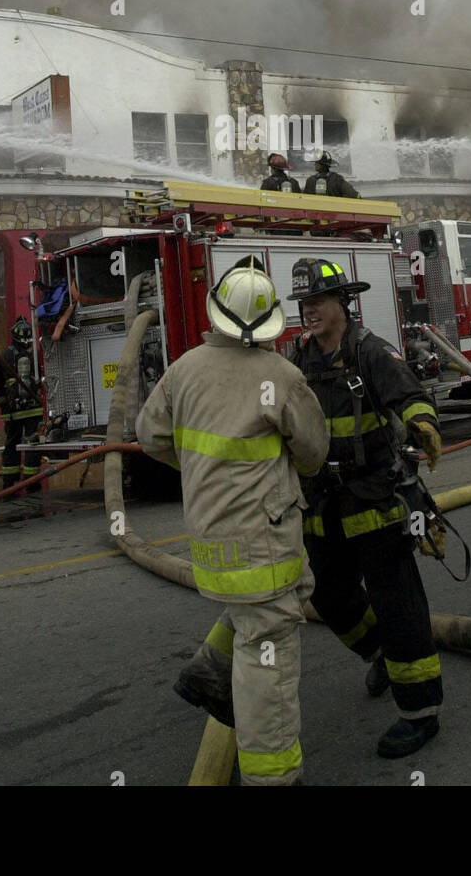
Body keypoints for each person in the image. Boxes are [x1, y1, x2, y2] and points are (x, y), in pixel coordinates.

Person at [136, 256, 328, 786]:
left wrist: (201, 466)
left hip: (209, 543)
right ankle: (273, 777)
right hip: (261, 544)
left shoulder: (183, 370)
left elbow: (151, 436)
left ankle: (206, 673)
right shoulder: (282, 377)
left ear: (215, 312)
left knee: (271, 600)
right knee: (268, 659)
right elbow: (312, 454)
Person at [287, 257, 444, 759]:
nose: (309, 312)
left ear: (341, 304)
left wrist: (422, 427)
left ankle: (420, 712)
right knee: (331, 597)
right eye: (304, 304)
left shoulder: (371, 351)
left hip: (375, 501)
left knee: (398, 604)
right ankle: (379, 653)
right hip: (322, 506)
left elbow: (411, 397)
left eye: (316, 302)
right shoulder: (299, 359)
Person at [0, 316, 44, 490]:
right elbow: (42, 376)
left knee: (12, 442)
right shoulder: (35, 352)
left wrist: (3, 404)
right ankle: (31, 479)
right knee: (32, 444)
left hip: (13, 409)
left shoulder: (5, 354)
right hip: (33, 409)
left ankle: (9, 480)